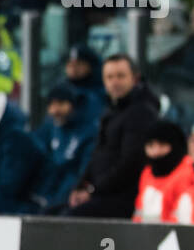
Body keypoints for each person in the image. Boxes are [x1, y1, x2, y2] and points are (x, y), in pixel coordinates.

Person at [67, 53, 160, 218]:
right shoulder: (112, 110)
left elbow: (130, 163)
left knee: (68, 219)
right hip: (100, 193)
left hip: (123, 198)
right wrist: (81, 186)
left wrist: (93, 190)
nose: (114, 82)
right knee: (50, 213)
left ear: (135, 78)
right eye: (109, 77)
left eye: (120, 76)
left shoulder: (142, 112)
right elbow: (97, 154)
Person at [30, 82, 97, 212]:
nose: (55, 110)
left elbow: (84, 169)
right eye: (51, 105)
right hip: (52, 192)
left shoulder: (89, 131)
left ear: (72, 104)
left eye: (60, 104)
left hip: (73, 195)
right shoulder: (51, 127)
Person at [133, 120, 190, 223]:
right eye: (150, 146)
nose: (156, 152)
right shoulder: (147, 173)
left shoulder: (188, 173)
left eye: (162, 145)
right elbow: (139, 211)